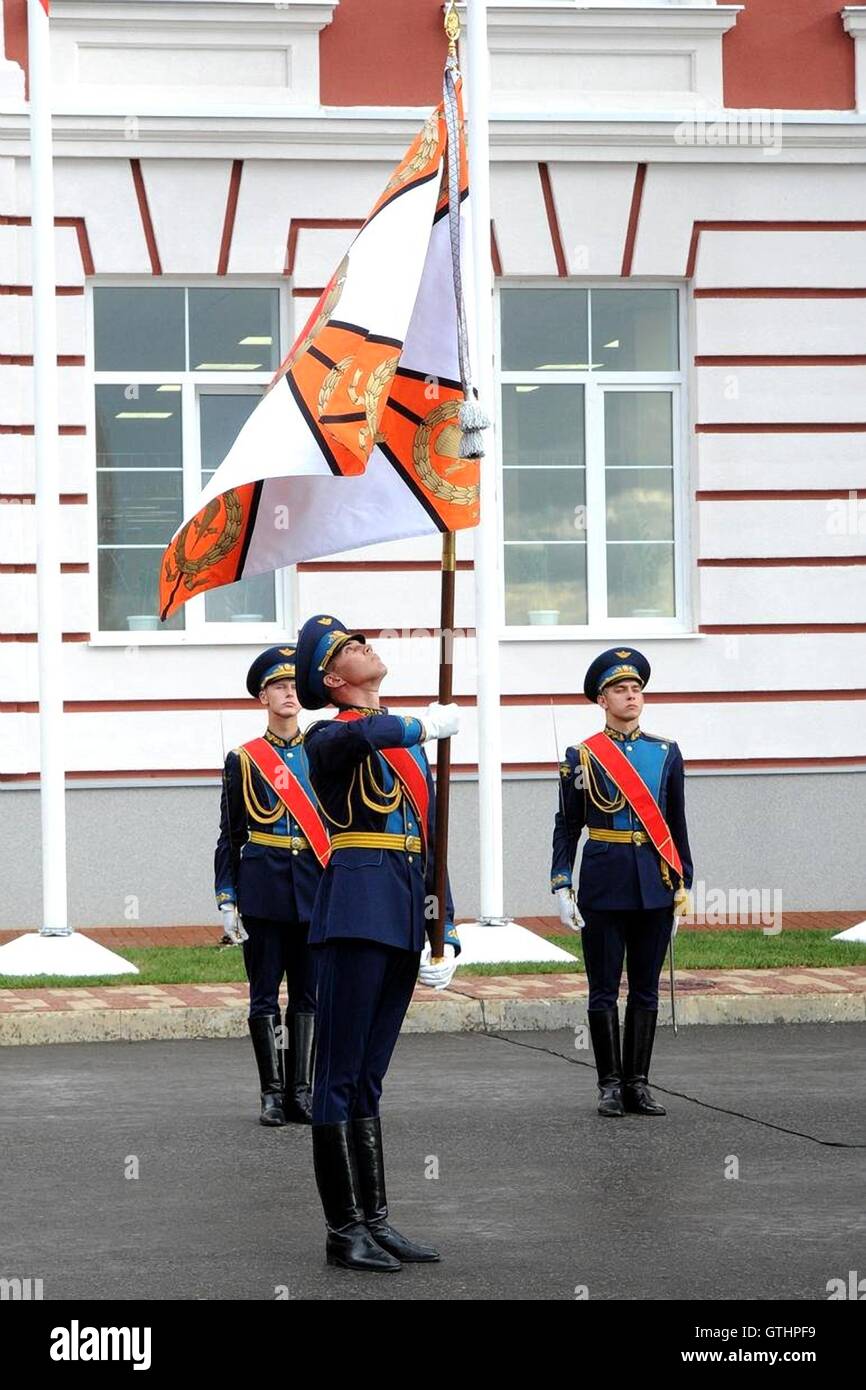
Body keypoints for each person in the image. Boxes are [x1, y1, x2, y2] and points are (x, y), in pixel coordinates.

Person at [295, 613, 461, 1272]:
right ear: (333, 679)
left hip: (400, 910)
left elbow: (430, 836)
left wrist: (441, 927)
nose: (366, 647)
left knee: (369, 1078)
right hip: (357, 909)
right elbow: (371, 731)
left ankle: (376, 1220)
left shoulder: (403, 742)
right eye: (349, 649)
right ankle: (343, 1231)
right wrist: (424, 724)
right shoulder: (327, 736)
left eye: (362, 640)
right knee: (335, 1077)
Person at [550, 647, 693, 1119]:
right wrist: (561, 883)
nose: (631, 696)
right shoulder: (582, 756)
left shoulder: (665, 752)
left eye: (636, 689)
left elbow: (675, 823)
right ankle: (608, 1084)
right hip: (604, 882)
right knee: (603, 989)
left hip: (654, 881)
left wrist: (682, 885)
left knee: (647, 988)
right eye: (620, 689)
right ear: (602, 699)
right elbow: (568, 825)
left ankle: (639, 1083)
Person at [214, 645, 329, 1127]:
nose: (288, 694)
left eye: (292, 686)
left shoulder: (322, 749)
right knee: (264, 996)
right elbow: (230, 834)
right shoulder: (244, 759)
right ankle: (270, 1093)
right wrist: (227, 897)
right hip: (263, 891)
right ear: (263, 696)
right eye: (278, 686)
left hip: (313, 888)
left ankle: (301, 1090)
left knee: (308, 995)